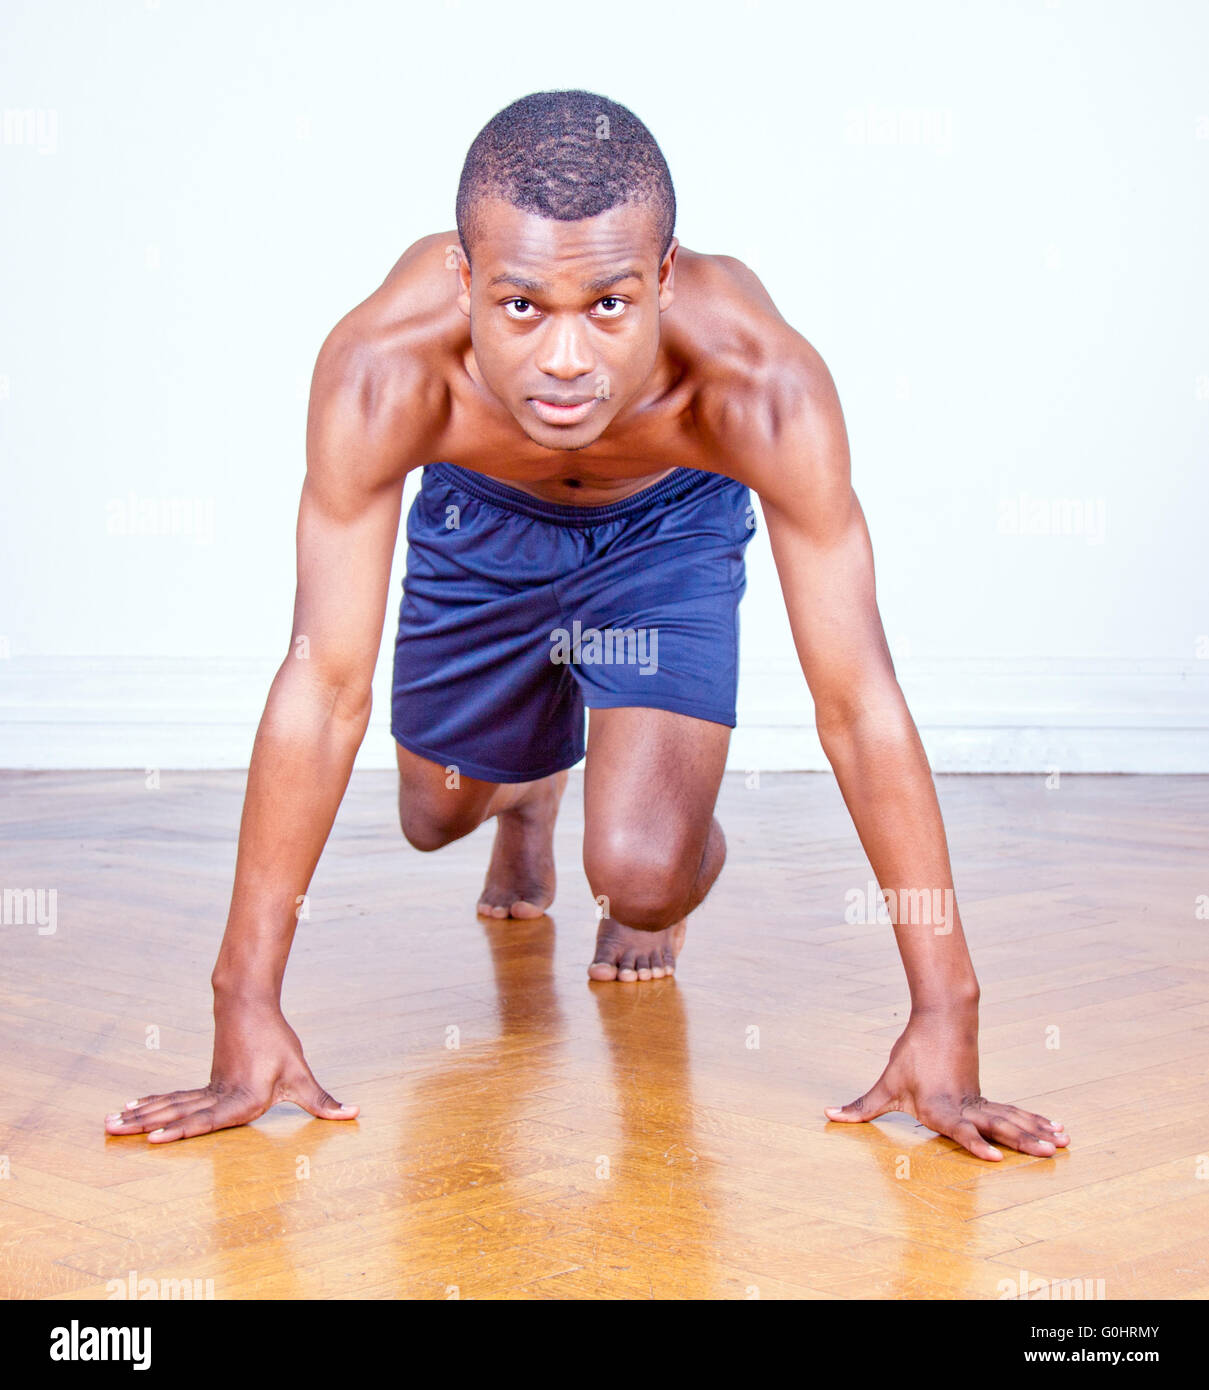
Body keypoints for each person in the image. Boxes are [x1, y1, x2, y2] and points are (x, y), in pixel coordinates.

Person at [105, 90, 1068, 1162]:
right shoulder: (385, 369)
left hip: (663, 527)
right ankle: (526, 802)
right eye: (522, 308)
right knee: (433, 813)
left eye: (608, 305)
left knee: (640, 870)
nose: (566, 359)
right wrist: (243, 1000)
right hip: (483, 518)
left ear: (662, 279)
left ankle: (647, 830)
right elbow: (322, 684)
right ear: (465, 282)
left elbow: (858, 702)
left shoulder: (757, 384)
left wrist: (949, 1010)